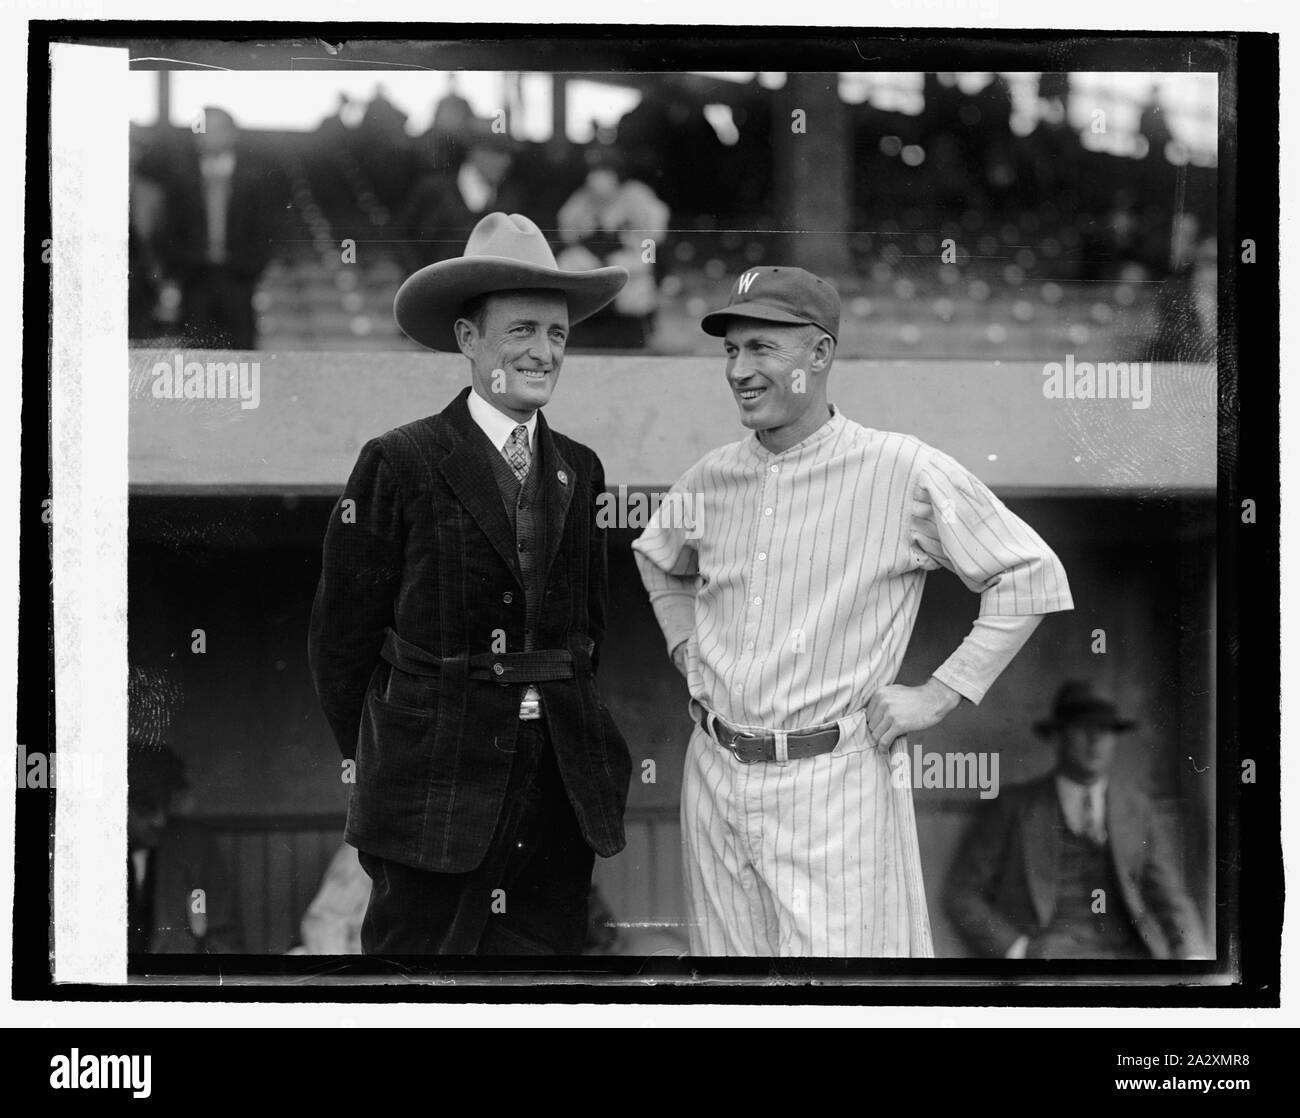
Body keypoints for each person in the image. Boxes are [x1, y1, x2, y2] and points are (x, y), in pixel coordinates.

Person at [632, 266, 1074, 957]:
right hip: (714, 772)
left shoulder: (902, 469)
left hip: (830, 779)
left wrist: (939, 693)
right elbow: (658, 554)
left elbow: (1030, 571)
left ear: (819, 354)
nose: (739, 370)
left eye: (762, 348)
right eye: (731, 350)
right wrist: (685, 645)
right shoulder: (711, 476)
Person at [308, 212, 633, 955]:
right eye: (522, 331)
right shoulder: (399, 461)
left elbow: (589, 637)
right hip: (431, 802)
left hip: (556, 795)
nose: (544, 352)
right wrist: (400, 749)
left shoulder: (580, 470)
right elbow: (340, 646)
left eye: (557, 334)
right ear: (468, 339)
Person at [945, 681, 1209, 960]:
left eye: (1105, 729)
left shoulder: (1137, 809)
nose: (1095, 740)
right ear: (1058, 737)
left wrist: (1191, 958)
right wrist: (1019, 950)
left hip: (1129, 964)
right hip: (1049, 966)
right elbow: (962, 894)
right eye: (1083, 727)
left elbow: (1172, 899)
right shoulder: (1013, 808)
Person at [155, 106, 278, 349]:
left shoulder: (255, 178)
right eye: (201, 129)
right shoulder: (181, 177)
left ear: (232, 134)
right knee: (196, 356)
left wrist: (250, 268)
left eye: (214, 129)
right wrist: (180, 271)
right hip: (194, 281)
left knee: (240, 353)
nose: (206, 135)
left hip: (239, 280)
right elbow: (169, 231)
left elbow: (266, 230)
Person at [127, 744, 243, 954]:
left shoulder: (196, 848)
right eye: (145, 807)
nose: (160, 821)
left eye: (166, 804)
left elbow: (222, 941)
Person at [556, 147, 670, 349]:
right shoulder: (582, 199)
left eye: (605, 171)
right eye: (594, 171)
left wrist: (633, 259)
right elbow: (567, 235)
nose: (598, 178)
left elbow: (654, 239)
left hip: (630, 283)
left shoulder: (637, 195)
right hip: (594, 279)